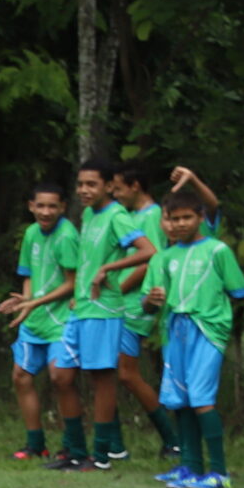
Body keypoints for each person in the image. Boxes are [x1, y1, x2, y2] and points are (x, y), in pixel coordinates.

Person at [140, 194, 244, 488]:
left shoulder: (217, 251)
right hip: (175, 330)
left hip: (207, 329)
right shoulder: (164, 258)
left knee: (201, 397)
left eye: (186, 217)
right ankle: (192, 466)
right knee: (181, 399)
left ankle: (219, 471)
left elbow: (239, 291)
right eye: (173, 219)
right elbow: (145, 304)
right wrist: (151, 300)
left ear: (201, 216)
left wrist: (214, 310)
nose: (179, 224)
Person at [51, 159, 153, 471]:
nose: (84, 190)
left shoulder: (117, 215)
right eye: (80, 184)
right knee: (61, 375)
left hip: (105, 309)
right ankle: (76, 450)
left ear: (109, 186)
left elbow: (148, 250)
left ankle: (101, 455)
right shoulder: (87, 214)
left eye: (91, 184)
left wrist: (109, 269)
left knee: (101, 378)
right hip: (81, 307)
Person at [0, 184, 78, 460]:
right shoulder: (31, 233)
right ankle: (35, 444)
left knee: (60, 378)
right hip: (35, 319)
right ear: (31, 206)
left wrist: (35, 303)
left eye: (52, 206)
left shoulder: (67, 236)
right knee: (21, 377)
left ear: (63, 207)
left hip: (61, 320)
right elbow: (29, 275)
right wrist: (25, 302)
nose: (46, 211)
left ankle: (72, 446)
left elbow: (72, 283)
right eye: (40, 206)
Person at [106, 162, 181, 459]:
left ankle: (171, 439)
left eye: (118, 187)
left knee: (126, 373)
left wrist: (117, 289)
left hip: (135, 302)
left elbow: (147, 260)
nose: (114, 193)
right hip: (118, 301)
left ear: (135, 186)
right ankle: (112, 444)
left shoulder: (150, 217)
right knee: (105, 368)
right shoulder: (130, 216)